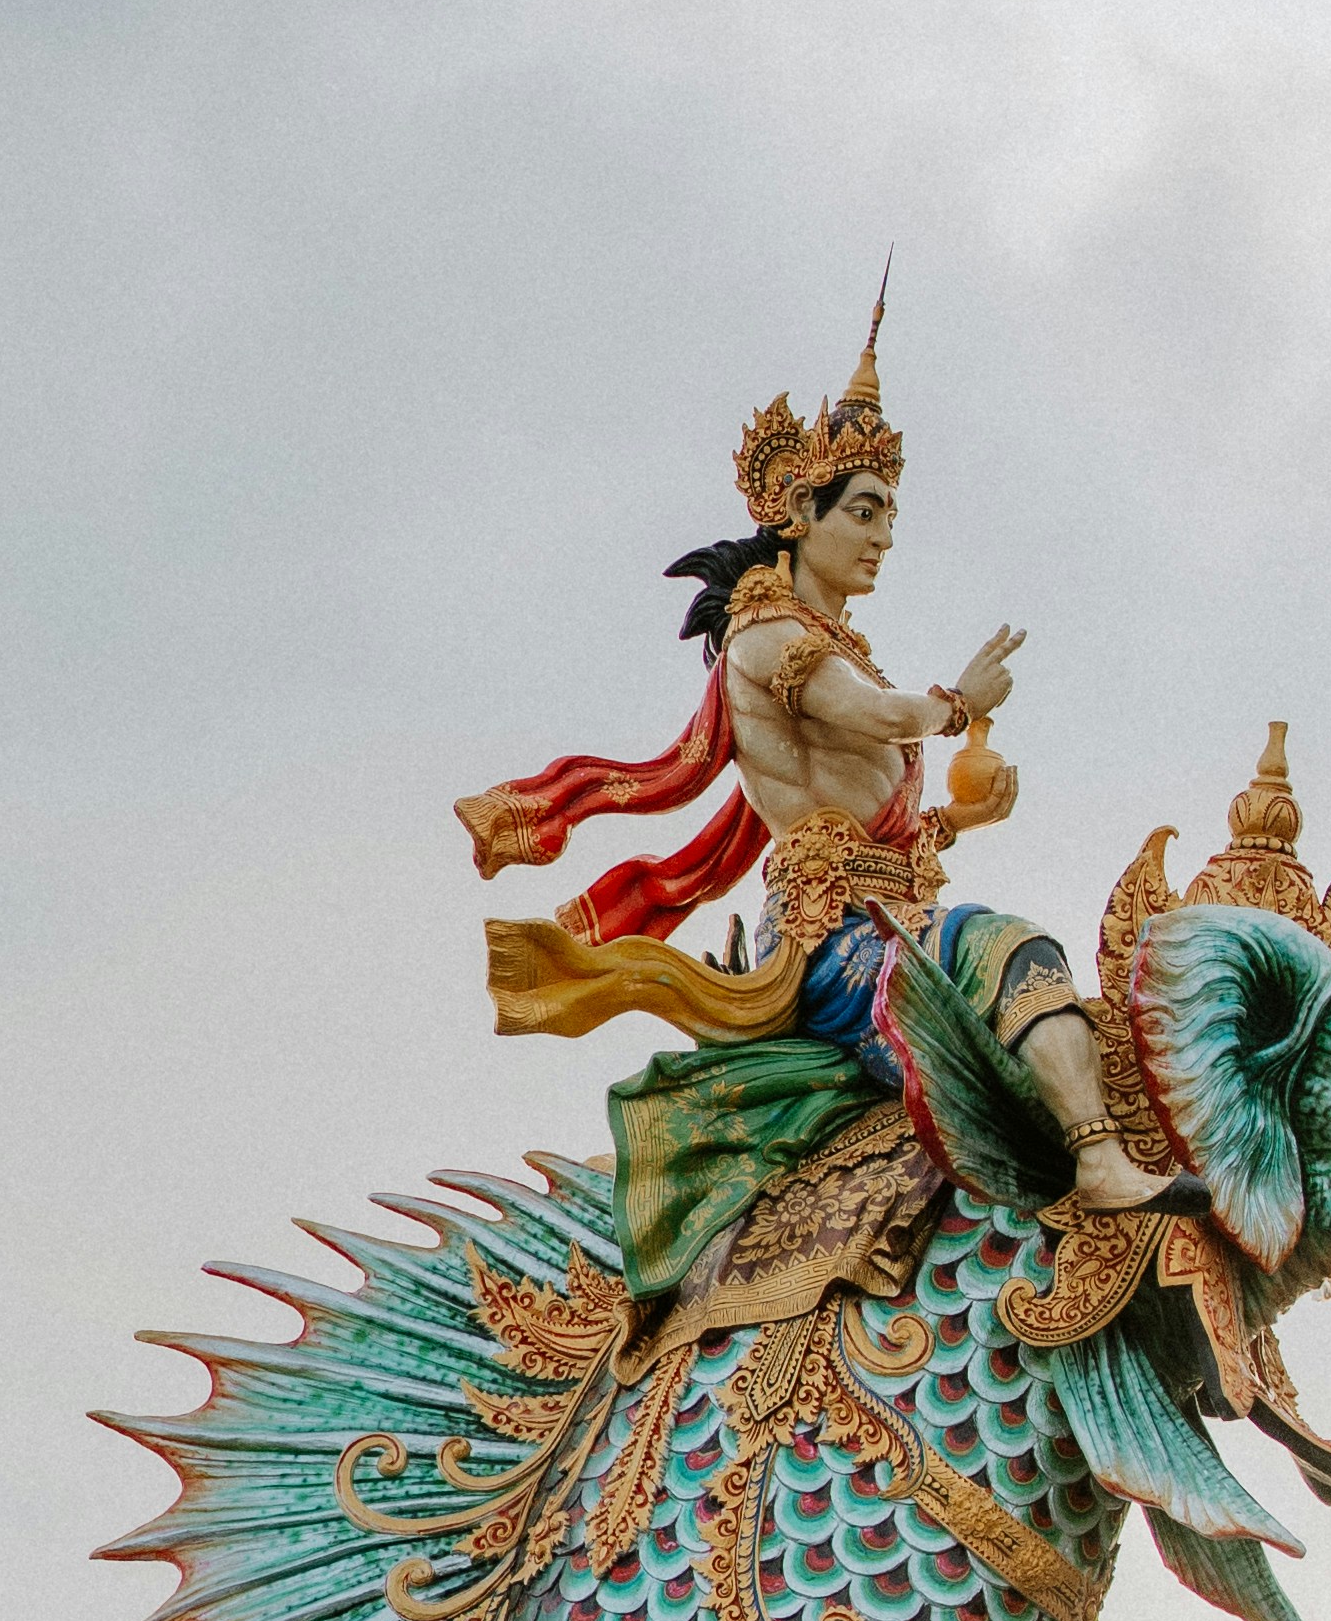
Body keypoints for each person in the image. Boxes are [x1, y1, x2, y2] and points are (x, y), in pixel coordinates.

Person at [458, 286, 1206, 1294]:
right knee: (1014, 950)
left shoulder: (828, 641)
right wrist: (953, 703)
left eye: (890, 513)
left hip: (888, 915)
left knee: (1047, 1006)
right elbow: (872, 715)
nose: (884, 534)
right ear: (795, 517)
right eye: (863, 511)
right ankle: (1098, 1161)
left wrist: (957, 817)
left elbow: (867, 811)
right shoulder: (768, 639)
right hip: (835, 947)